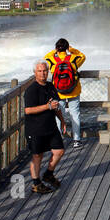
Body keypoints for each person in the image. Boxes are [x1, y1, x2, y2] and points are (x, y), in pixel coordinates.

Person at [24, 60, 66, 194]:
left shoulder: (50, 86)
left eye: (45, 71)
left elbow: (55, 105)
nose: (43, 73)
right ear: (35, 73)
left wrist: (62, 120)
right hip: (35, 128)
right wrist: (47, 107)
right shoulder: (31, 90)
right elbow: (28, 110)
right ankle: (36, 184)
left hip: (51, 126)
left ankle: (48, 174)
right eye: (40, 71)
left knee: (59, 151)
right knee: (37, 156)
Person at [43, 37, 87, 147]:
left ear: (57, 48)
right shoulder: (73, 59)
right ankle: (76, 140)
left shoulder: (52, 60)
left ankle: (59, 139)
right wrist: (72, 50)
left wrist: (55, 51)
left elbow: (45, 57)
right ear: (67, 47)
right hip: (74, 90)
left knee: (59, 115)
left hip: (58, 92)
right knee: (75, 115)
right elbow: (83, 56)